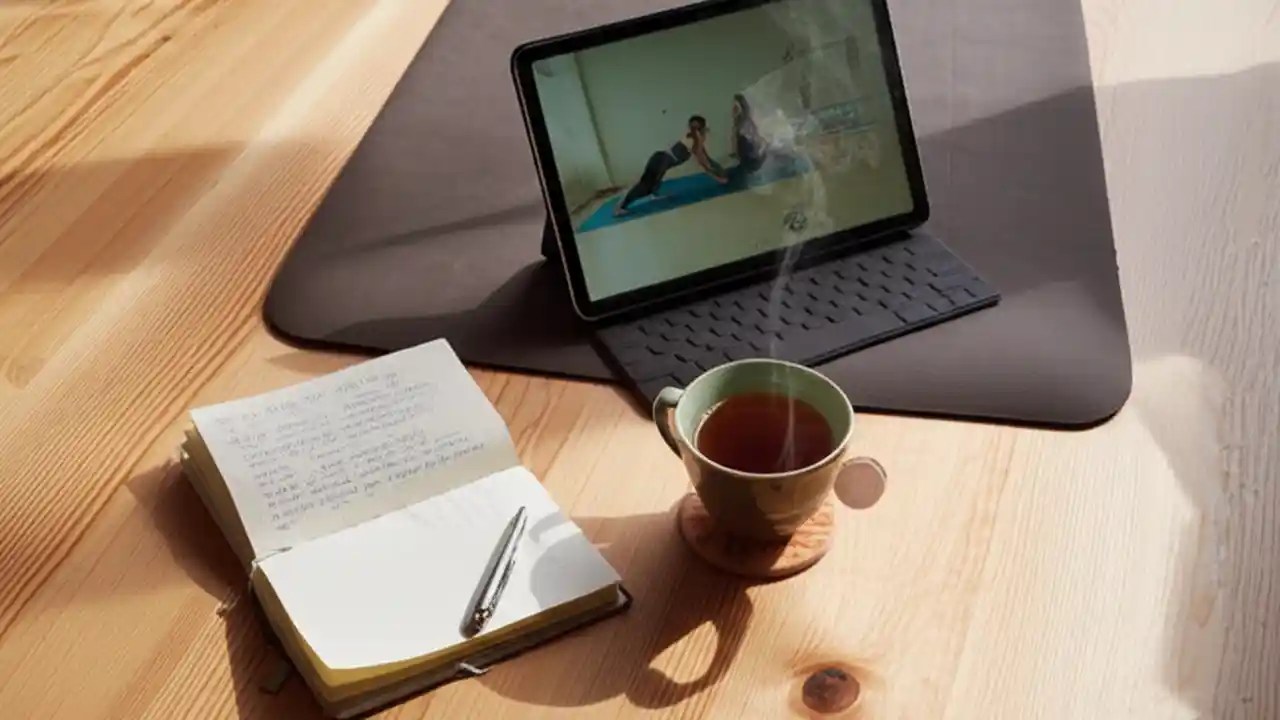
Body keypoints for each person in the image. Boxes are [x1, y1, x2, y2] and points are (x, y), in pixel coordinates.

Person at [614, 115, 727, 217]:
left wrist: (713, 168)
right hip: (660, 161)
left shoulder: (693, 136)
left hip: (660, 159)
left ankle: (653, 194)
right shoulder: (695, 139)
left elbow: (704, 155)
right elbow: (702, 161)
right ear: (701, 129)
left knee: (655, 181)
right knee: (645, 187)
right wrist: (717, 178)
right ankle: (621, 206)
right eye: (704, 129)